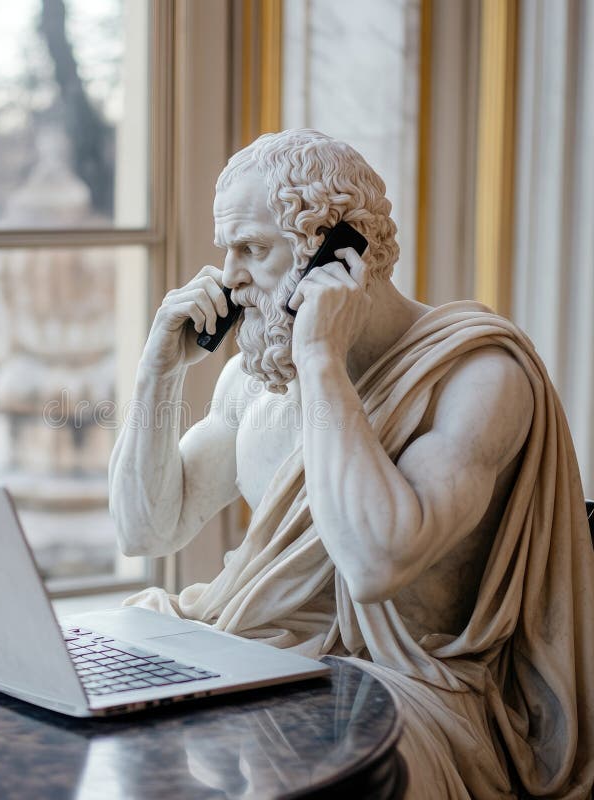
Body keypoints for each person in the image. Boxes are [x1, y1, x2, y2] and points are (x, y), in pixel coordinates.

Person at [108, 129, 594, 799]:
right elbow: (147, 530)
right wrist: (156, 374)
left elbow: (375, 564)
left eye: (252, 249)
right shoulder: (256, 381)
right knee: (105, 686)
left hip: (408, 693)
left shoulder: (480, 377)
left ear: (336, 252)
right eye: (227, 249)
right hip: (253, 653)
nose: (228, 278)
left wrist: (321, 360)